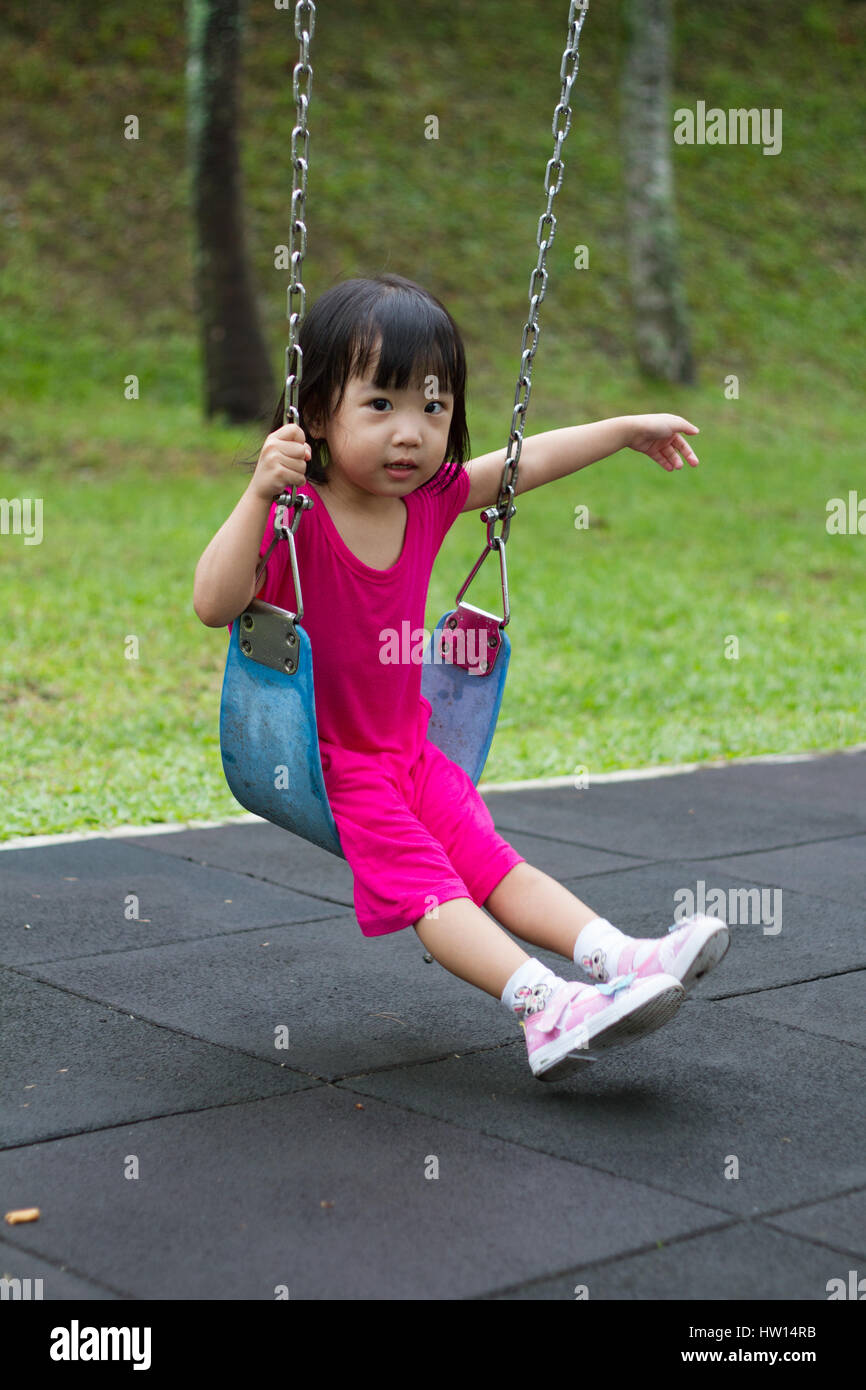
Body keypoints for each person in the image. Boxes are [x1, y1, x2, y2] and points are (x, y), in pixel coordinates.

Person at [194, 273, 729, 1082]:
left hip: (411, 754)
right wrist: (259, 490)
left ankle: (620, 957)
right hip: (335, 769)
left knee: (497, 866)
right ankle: (545, 1008)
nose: (410, 432)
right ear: (313, 418)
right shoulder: (294, 513)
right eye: (381, 406)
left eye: (433, 408)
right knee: (434, 891)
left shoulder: (432, 502)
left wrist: (624, 428)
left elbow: (529, 459)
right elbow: (212, 602)